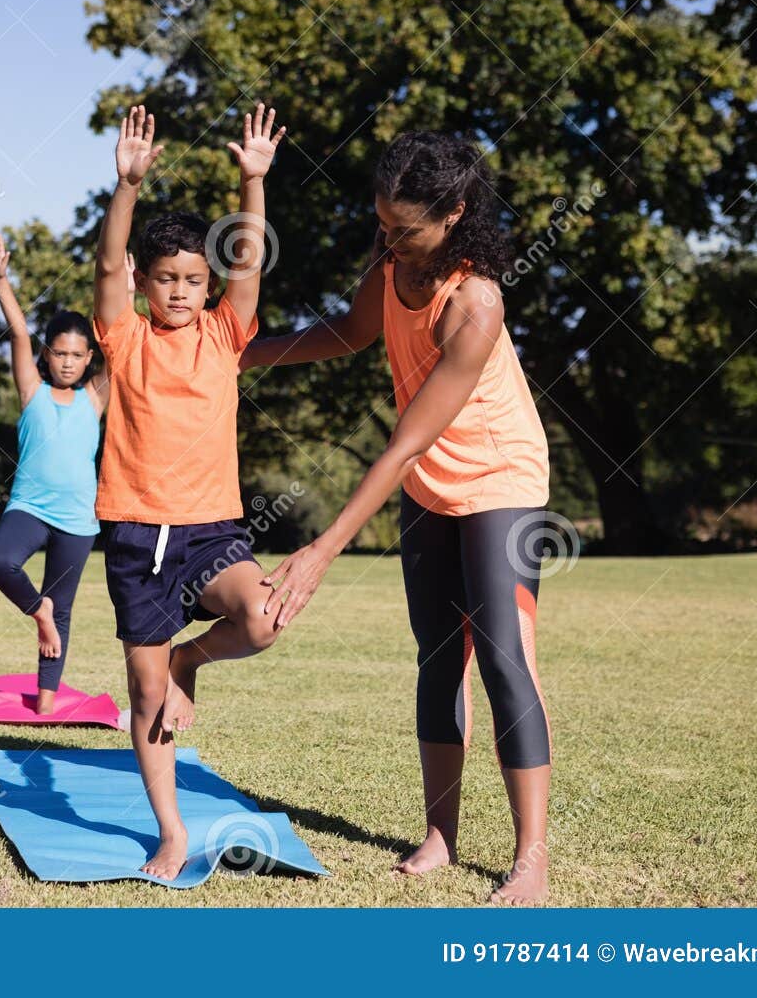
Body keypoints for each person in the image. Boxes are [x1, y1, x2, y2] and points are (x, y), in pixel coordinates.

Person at [243, 131, 553, 904]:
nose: (388, 239)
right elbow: (351, 333)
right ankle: (442, 835)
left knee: (505, 658)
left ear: (453, 213)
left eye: (404, 227)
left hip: (499, 479)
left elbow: (406, 441)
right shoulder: (390, 264)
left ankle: (532, 857)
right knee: (437, 655)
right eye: (381, 222)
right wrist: (246, 355)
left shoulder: (475, 305)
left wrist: (323, 548)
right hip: (428, 482)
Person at [93, 102, 288, 880]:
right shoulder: (125, 334)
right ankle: (170, 830)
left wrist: (252, 180)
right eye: (166, 279)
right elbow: (107, 267)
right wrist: (126, 189)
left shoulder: (223, 333)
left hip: (212, 528)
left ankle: (191, 662)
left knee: (263, 616)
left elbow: (250, 261)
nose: (180, 290)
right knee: (142, 694)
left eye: (192, 280)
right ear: (144, 283)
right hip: (137, 531)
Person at [0, 232, 110, 715]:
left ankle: (46, 701)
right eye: (60, 353)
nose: (69, 362)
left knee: (67, 607)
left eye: (78, 355)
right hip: (30, 507)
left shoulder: (95, 398)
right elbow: (17, 332)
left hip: (78, 517)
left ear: (88, 359)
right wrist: (0, 281)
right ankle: (39, 612)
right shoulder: (32, 391)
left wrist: (132, 289)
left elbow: (121, 341)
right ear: (47, 354)